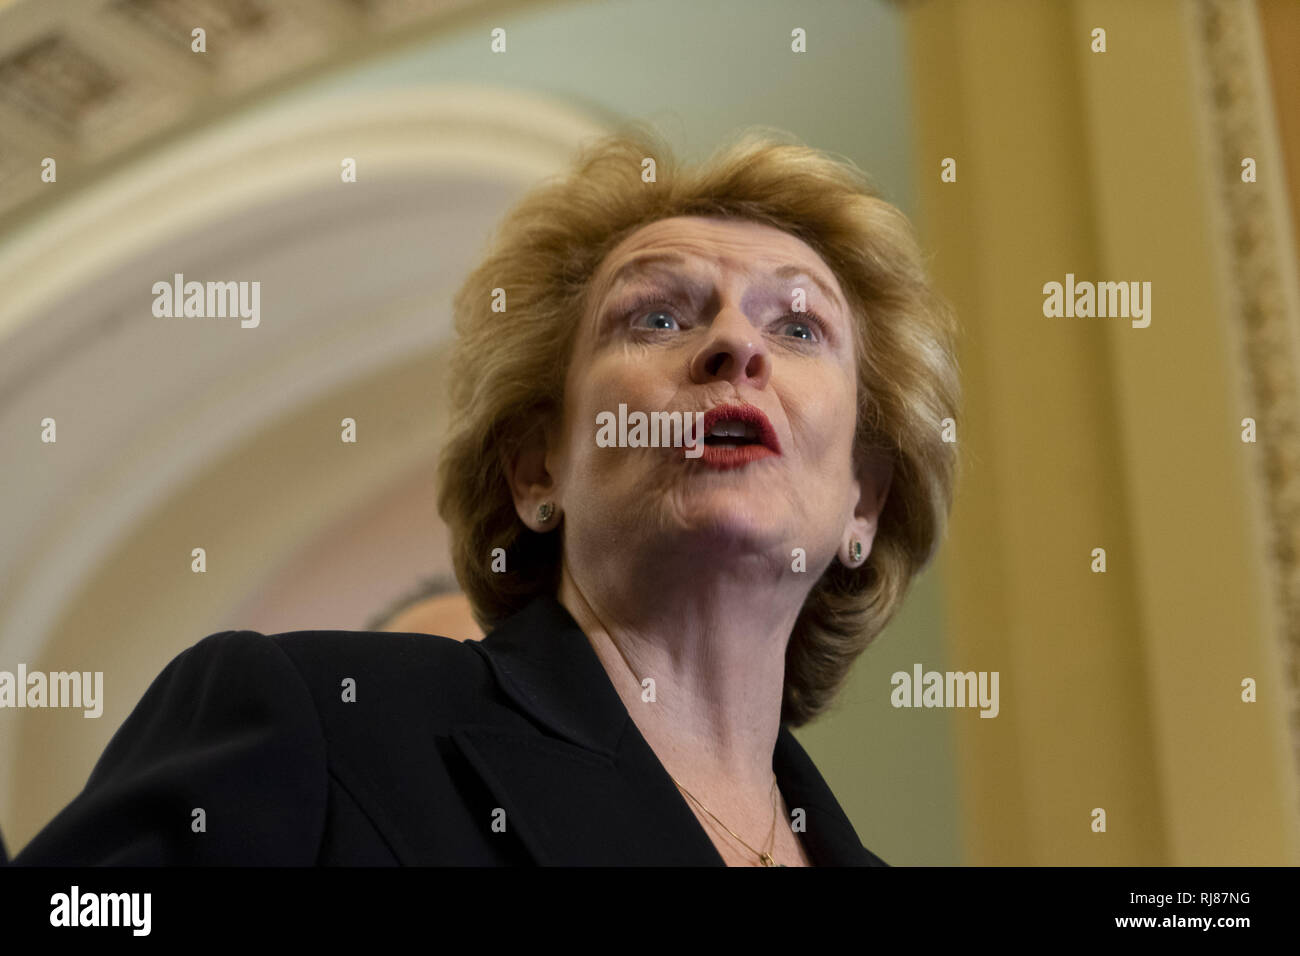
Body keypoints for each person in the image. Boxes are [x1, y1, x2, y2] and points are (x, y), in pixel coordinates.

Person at [11, 123, 960, 866]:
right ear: (536, 470)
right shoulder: (321, 727)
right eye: (658, 314)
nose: (735, 348)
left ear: (862, 505)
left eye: (798, 327)